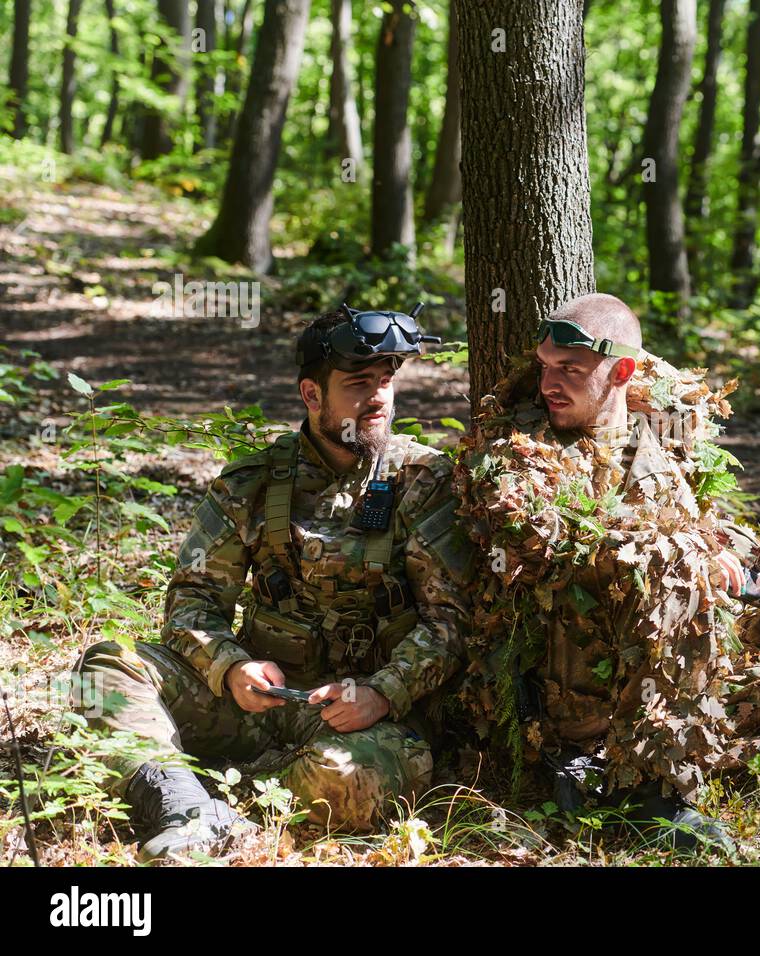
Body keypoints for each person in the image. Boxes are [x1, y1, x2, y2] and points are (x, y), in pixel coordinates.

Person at [439, 292, 760, 848]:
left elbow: (713, 556)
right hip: (565, 675)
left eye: (571, 370)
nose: (549, 385)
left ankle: (614, 769)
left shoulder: (660, 442)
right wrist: (685, 552)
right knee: (675, 563)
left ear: (622, 371)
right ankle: (651, 797)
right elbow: (547, 547)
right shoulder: (517, 447)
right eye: (546, 367)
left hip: (655, 673)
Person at [74, 305, 468, 862]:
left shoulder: (423, 483)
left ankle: (218, 809)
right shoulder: (252, 484)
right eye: (358, 384)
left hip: (362, 723)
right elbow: (193, 602)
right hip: (257, 704)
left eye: (386, 381)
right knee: (108, 667)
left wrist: (383, 692)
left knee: (346, 780)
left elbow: (451, 622)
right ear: (312, 395)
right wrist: (231, 667)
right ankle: (180, 802)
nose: (378, 398)